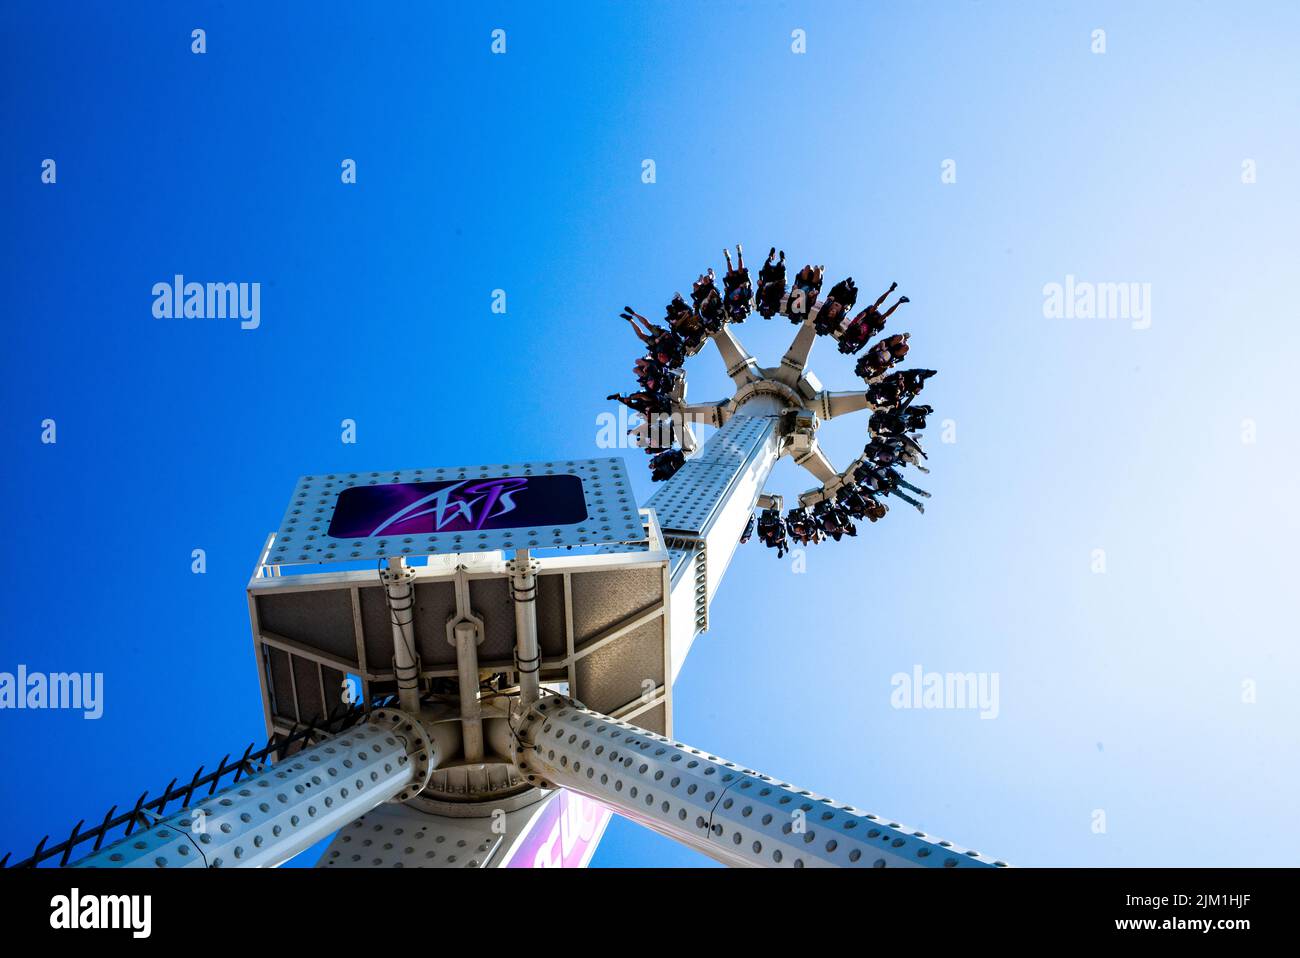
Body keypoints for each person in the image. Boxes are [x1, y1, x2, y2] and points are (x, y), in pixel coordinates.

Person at [839, 285, 908, 354]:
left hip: (866, 318)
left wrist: (861, 317)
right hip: (873, 325)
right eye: (861, 330)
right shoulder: (861, 338)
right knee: (884, 317)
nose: (861, 329)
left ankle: (890, 290)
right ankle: (900, 302)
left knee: (875, 306)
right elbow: (865, 341)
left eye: (860, 328)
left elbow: (858, 318)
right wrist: (856, 350)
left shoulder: (852, 328)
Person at [621, 305, 686, 368]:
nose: (660, 357)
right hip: (661, 335)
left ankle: (630, 320)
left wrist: (651, 354)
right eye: (663, 359)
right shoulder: (674, 346)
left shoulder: (660, 359)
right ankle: (634, 314)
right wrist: (660, 338)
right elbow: (668, 334)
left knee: (641, 336)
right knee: (648, 326)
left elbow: (654, 357)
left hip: (655, 344)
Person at [721, 244, 753, 323]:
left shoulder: (732, 306)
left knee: (730, 273)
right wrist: (746, 284)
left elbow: (726, 301)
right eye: (739, 315)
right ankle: (739, 254)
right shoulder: (745, 304)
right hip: (741, 284)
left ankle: (728, 258)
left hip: (733, 287)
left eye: (736, 315)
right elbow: (750, 291)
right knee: (740, 270)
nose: (737, 314)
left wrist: (726, 290)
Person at [691, 268, 725, 333]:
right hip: (711, 296)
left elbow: (698, 313)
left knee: (694, 285)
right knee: (706, 278)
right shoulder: (718, 314)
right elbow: (721, 305)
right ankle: (712, 274)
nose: (711, 324)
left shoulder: (705, 321)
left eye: (711, 326)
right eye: (713, 325)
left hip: (703, 300)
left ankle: (700, 281)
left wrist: (695, 306)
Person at [755, 247, 787, 318]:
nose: (766, 310)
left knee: (766, 265)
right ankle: (783, 259)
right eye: (768, 311)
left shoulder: (762, 298)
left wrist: (757, 305)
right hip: (777, 280)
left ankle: (771, 256)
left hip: (768, 279)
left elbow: (758, 293)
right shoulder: (776, 302)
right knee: (780, 265)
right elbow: (781, 291)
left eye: (765, 310)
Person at [607, 389, 672, 416]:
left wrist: (630, 398)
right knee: (633, 405)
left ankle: (619, 397)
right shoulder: (645, 406)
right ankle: (618, 397)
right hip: (659, 406)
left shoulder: (650, 401)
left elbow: (641, 396)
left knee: (634, 404)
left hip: (657, 400)